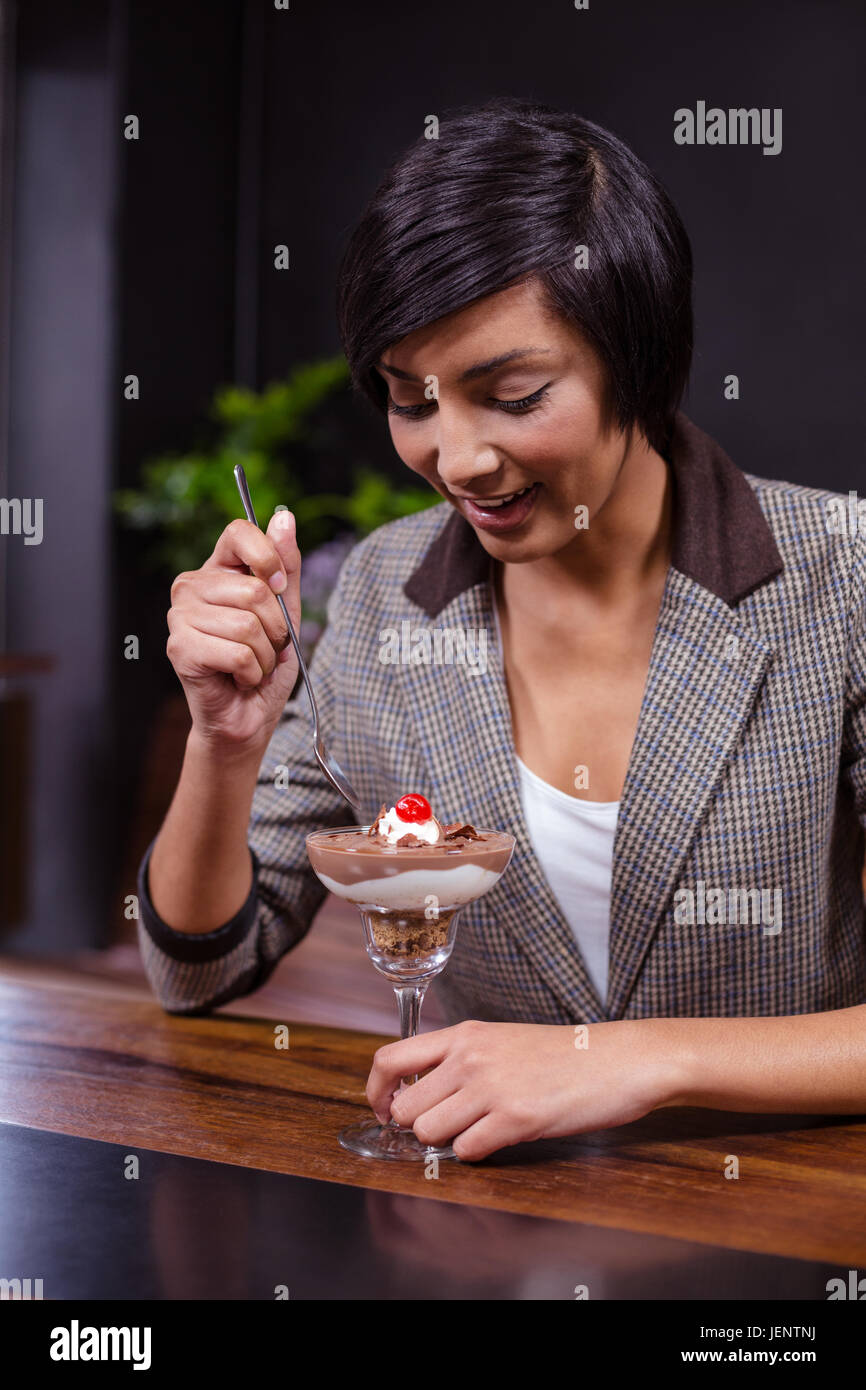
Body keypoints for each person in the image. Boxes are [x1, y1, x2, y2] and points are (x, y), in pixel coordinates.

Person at [138, 97, 866, 1161]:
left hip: (780, 1231)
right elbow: (198, 970)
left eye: (514, 395)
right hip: (491, 1225)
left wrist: (626, 1062)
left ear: (639, 359)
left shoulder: (835, 575)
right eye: (411, 400)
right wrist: (225, 739)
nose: (458, 458)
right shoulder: (387, 591)